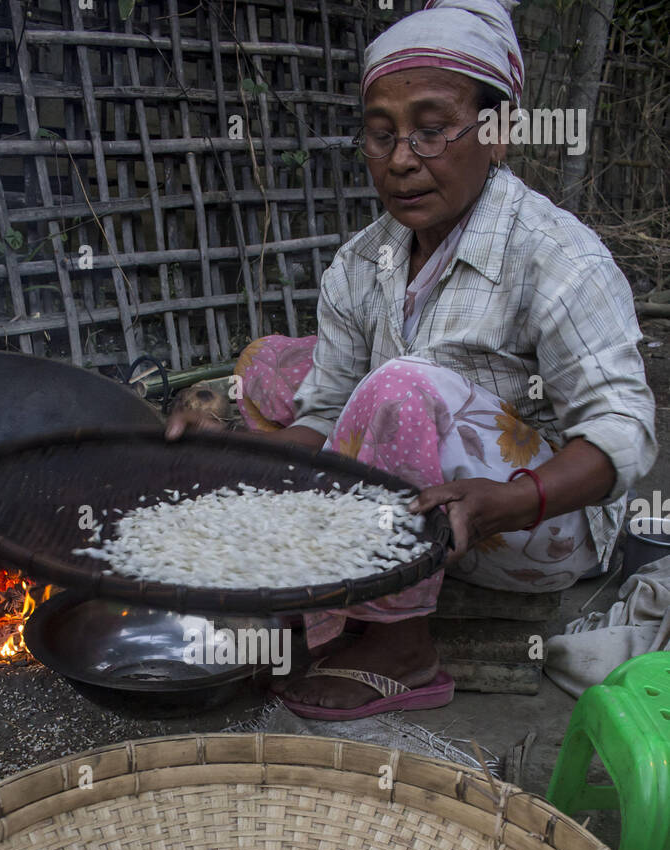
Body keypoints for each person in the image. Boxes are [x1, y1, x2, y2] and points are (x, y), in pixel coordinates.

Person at [166, 0, 656, 720]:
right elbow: (328, 416)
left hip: (527, 523)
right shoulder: (362, 262)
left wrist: (510, 500)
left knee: (400, 384)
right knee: (276, 366)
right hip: (415, 493)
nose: (401, 160)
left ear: (498, 134)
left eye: (430, 131)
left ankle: (402, 647)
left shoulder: (557, 257)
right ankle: (333, 581)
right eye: (382, 135)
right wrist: (242, 461)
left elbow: (625, 433)